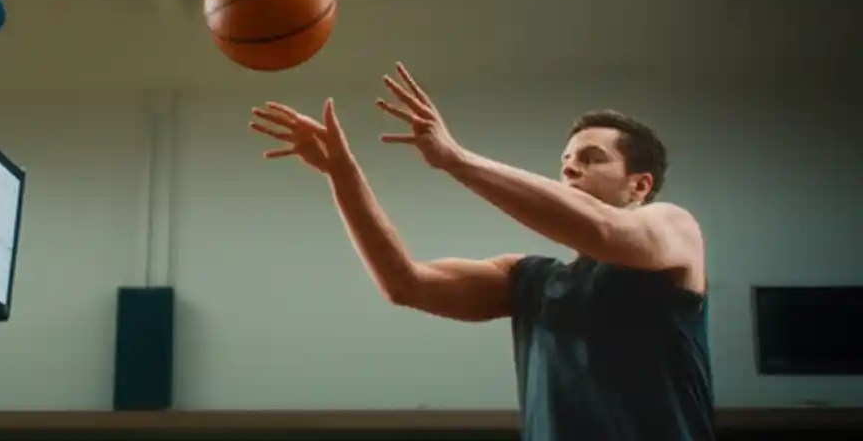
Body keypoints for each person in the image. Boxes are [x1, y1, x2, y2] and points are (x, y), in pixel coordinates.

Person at [248, 62, 713, 441]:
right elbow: (406, 284)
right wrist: (341, 172)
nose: (569, 168)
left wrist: (456, 158)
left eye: (591, 157)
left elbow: (607, 233)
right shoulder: (530, 279)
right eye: (565, 160)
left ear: (640, 185)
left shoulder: (674, 227)